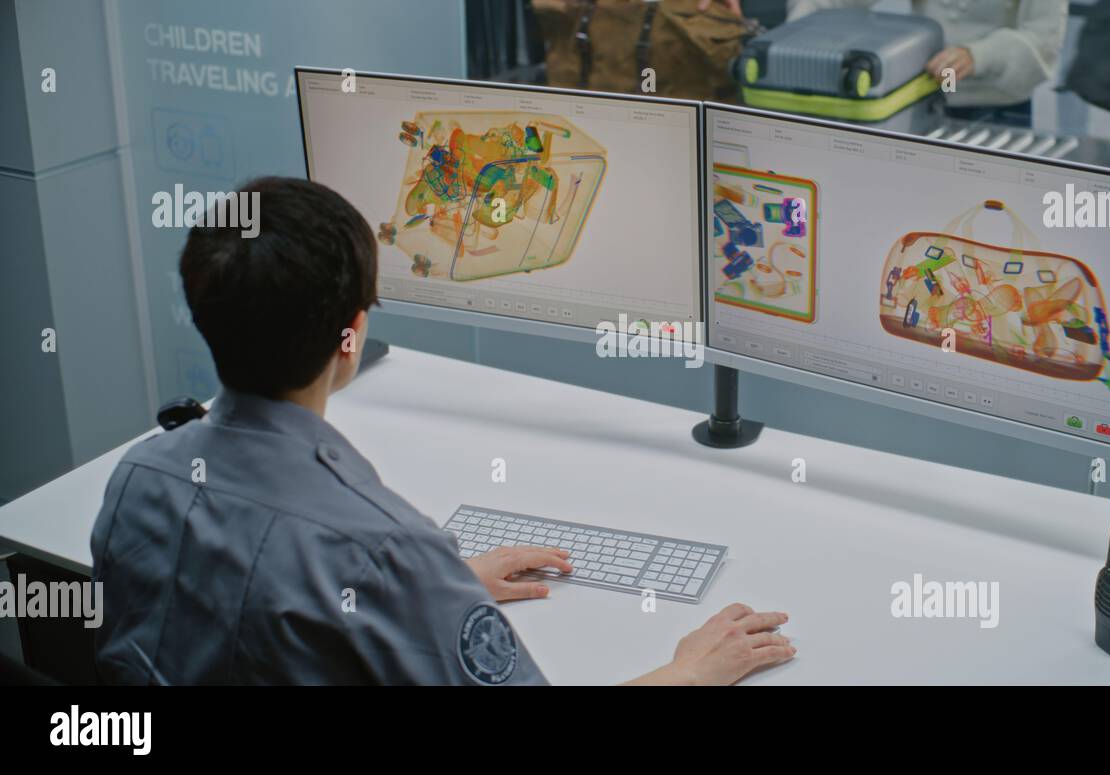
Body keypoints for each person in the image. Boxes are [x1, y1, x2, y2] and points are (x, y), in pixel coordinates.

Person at [90, 177, 795, 686]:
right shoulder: (385, 549)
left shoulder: (136, 481)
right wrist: (691, 672)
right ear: (352, 335)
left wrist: (434, 590)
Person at [704, 0, 1068, 127]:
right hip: (926, 100)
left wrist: (977, 55)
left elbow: (1044, 38)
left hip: (999, 108)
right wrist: (795, 33)